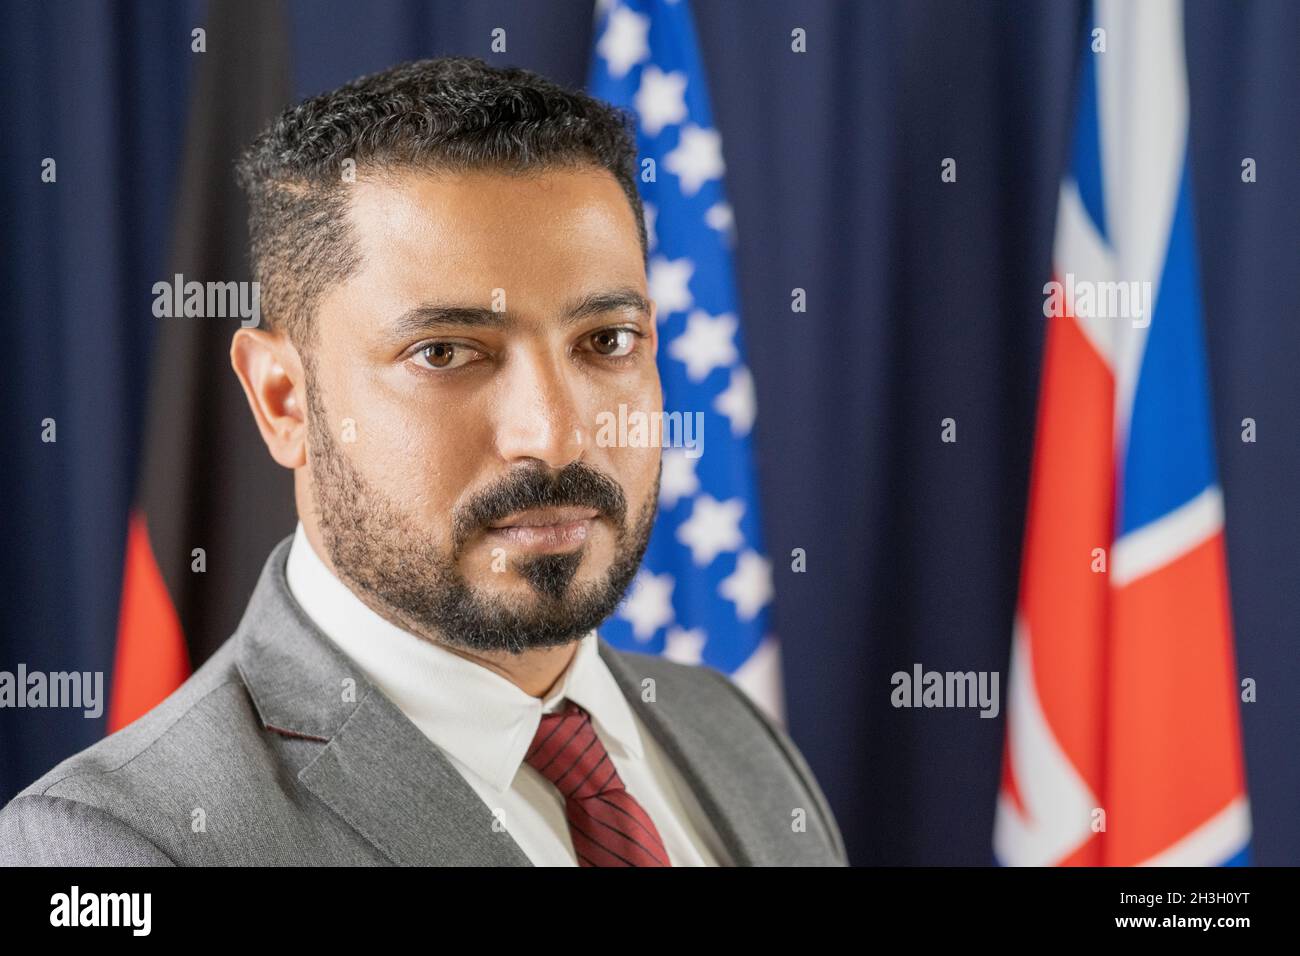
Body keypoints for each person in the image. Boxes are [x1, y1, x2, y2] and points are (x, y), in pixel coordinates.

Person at [0, 57, 846, 866]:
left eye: (607, 341)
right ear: (284, 400)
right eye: (445, 352)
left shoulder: (735, 733)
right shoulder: (118, 846)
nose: (555, 436)